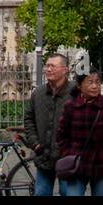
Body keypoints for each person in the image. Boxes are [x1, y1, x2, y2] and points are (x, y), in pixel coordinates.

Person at [23, 53, 75, 197]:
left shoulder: (75, 93)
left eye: (53, 66)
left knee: (67, 192)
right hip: (44, 156)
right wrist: (34, 143)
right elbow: (29, 118)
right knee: (41, 193)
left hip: (67, 157)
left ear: (65, 70)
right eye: (47, 66)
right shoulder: (38, 93)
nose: (48, 69)